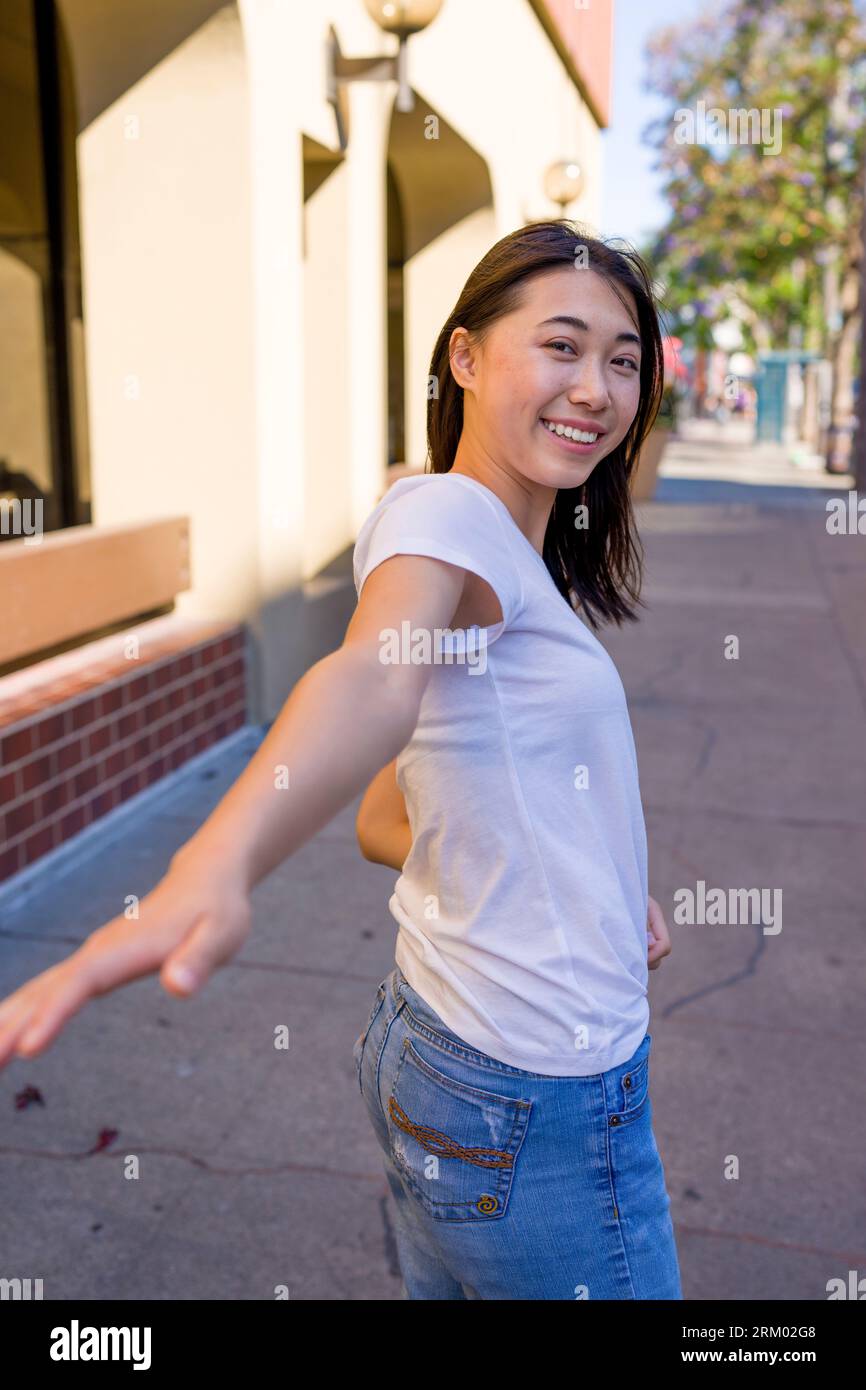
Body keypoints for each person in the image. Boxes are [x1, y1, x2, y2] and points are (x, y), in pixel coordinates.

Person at [0, 220, 681, 1301]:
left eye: (622, 359)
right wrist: (212, 866)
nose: (594, 386)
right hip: (536, 1096)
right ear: (464, 357)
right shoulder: (443, 513)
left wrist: (594, 881)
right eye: (559, 345)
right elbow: (368, 677)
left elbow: (385, 811)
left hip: (441, 1052)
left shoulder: (510, 548)